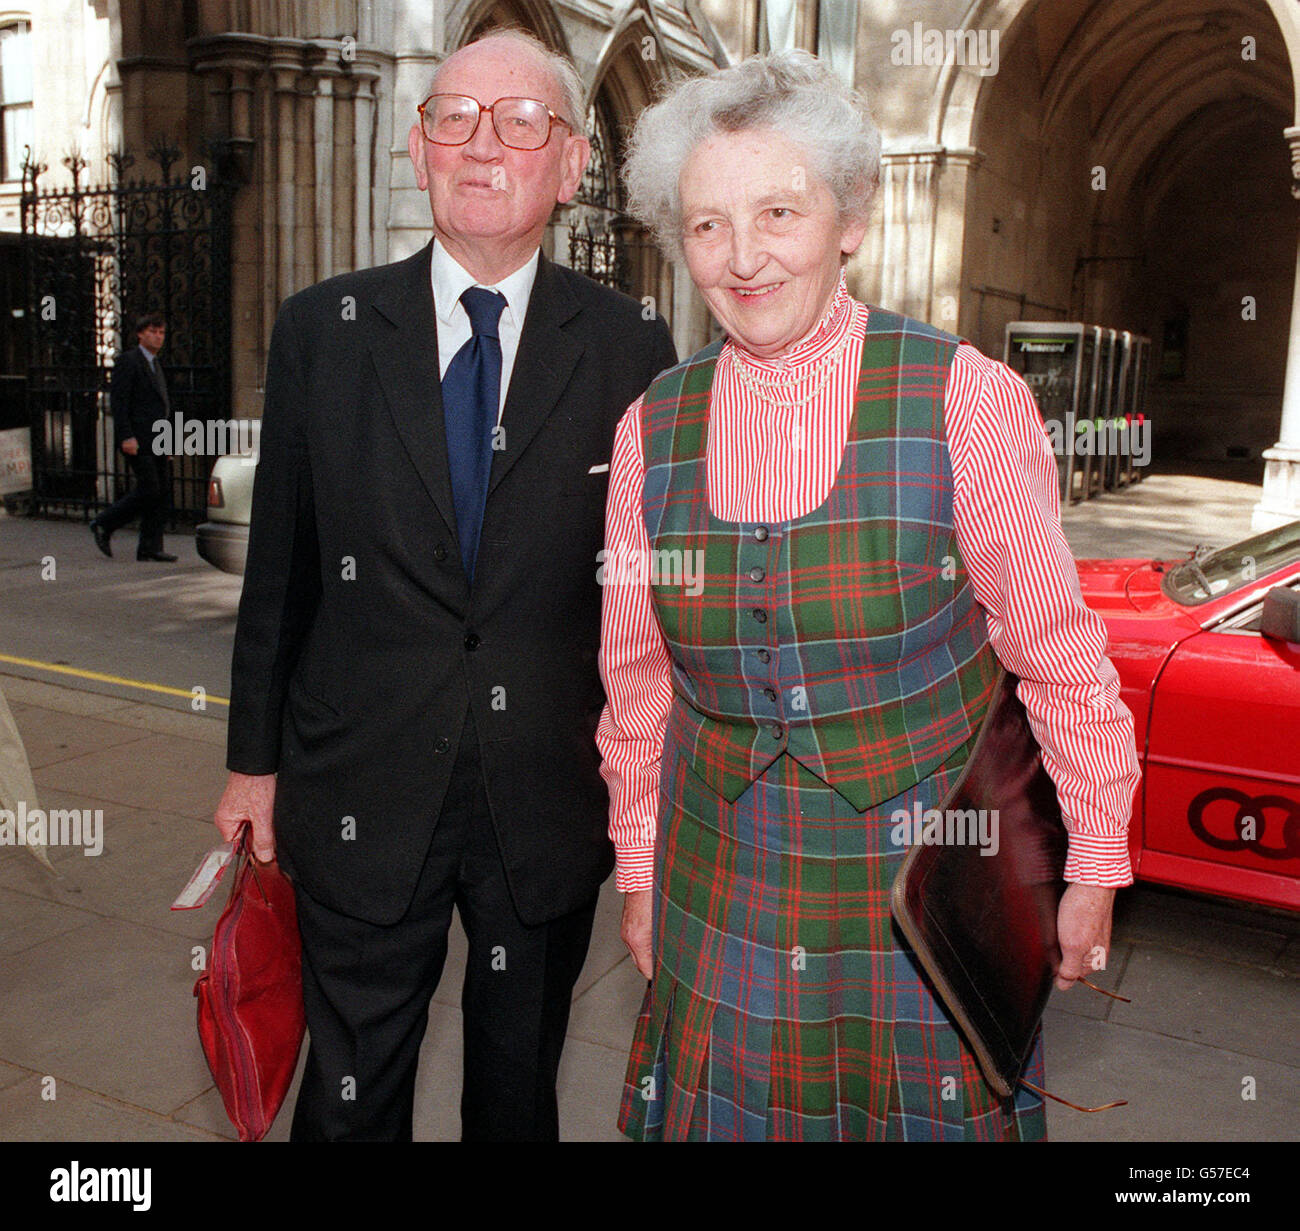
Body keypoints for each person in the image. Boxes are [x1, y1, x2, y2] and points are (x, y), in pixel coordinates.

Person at [596, 50, 1142, 1142]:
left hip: (920, 888)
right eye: (707, 225)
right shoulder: (649, 428)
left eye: (778, 212)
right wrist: (642, 864)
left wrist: (1093, 860)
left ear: (850, 219)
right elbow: (637, 681)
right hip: (722, 880)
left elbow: (1057, 654)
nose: (742, 258)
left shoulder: (964, 401)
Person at [212, 28, 676, 1142]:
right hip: (358, 781)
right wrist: (249, 766)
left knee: (516, 1095)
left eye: (522, 121)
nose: (482, 144)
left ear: (570, 167)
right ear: (417, 149)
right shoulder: (323, 331)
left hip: (546, 795)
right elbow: (279, 572)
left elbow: (651, 601)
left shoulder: (631, 347)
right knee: (350, 1088)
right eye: (453, 116)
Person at [90, 312, 177, 562]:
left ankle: (150, 546)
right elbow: (120, 402)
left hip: (157, 438)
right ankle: (104, 523)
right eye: (152, 331)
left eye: (161, 332)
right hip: (137, 439)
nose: (158, 337)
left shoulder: (156, 364)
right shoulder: (129, 361)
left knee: (161, 493)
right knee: (149, 489)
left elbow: (162, 406)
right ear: (140, 334)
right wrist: (126, 436)